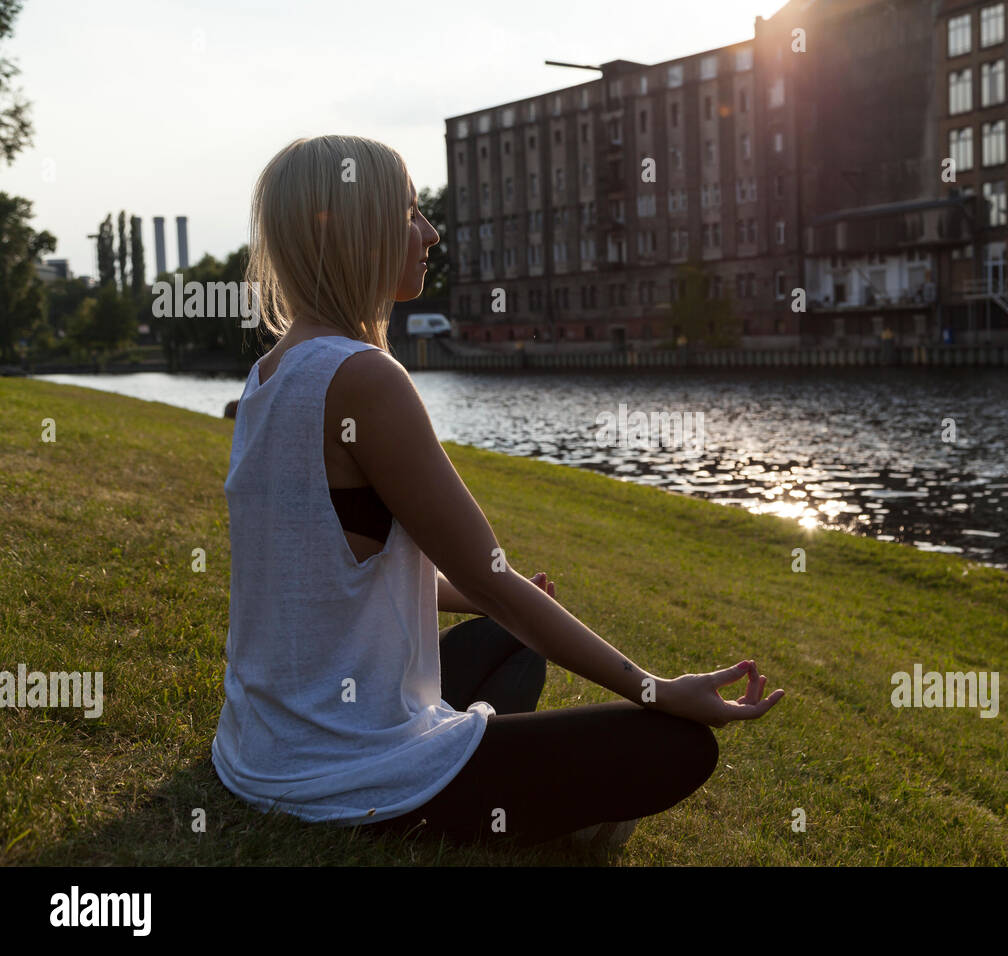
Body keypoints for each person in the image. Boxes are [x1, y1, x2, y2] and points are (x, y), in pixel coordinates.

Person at [210, 135, 784, 850]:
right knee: (679, 747)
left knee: (509, 647)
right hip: (334, 773)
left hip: (257, 752)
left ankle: (498, 768)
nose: (429, 232)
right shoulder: (365, 377)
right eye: (409, 212)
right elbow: (498, 582)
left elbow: (321, 566)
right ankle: (503, 803)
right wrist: (658, 689)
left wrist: (489, 599)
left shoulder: (268, 375)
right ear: (353, 229)